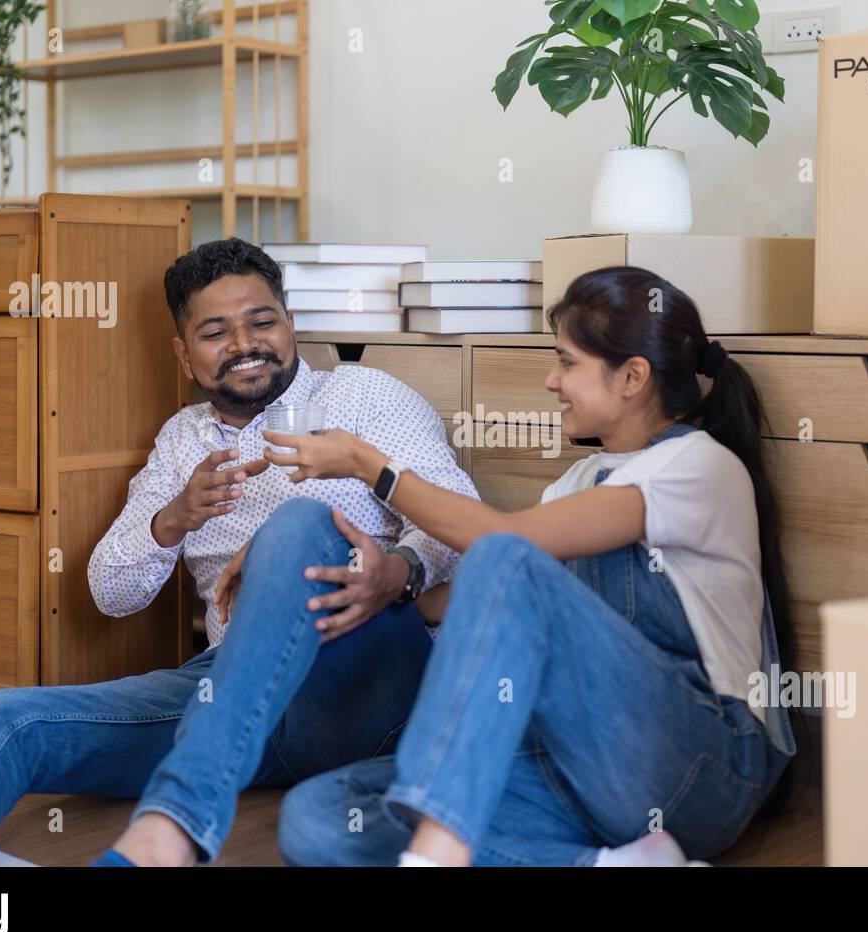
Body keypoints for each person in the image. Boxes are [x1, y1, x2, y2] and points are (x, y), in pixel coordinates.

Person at [0, 238, 477, 867]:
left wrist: (398, 573)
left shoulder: (366, 398)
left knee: (299, 523)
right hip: (228, 694)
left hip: (359, 678)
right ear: (185, 355)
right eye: (216, 332)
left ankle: (174, 827)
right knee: (3, 720)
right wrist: (173, 519)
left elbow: (461, 521)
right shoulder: (182, 440)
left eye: (261, 321)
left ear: (290, 323)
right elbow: (109, 591)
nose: (244, 344)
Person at [270, 266, 798, 866]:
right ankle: (612, 863)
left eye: (567, 362)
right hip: (579, 764)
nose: (552, 381)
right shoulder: (579, 480)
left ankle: (435, 853)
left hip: (698, 767)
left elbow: (504, 544)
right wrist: (382, 589)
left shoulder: (699, 467)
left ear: (633, 376)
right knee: (321, 817)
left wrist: (374, 468)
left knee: (505, 556)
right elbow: (481, 595)